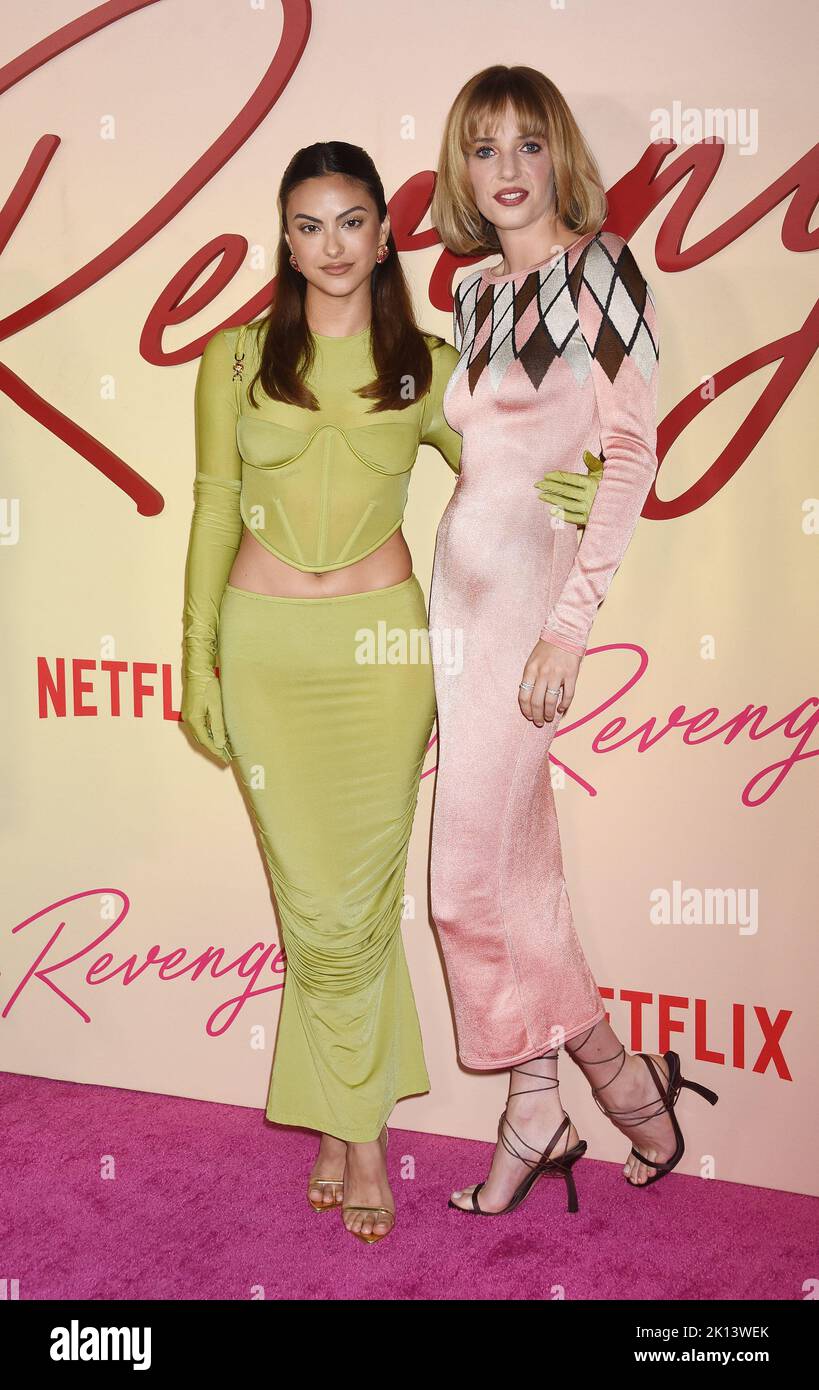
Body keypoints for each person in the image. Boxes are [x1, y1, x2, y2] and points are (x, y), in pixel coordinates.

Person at [180, 138, 591, 1244]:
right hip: (268, 655)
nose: (331, 246)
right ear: (284, 233)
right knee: (308, 910)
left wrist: (579, 476)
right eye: (308, 225)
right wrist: (195, 657)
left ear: (381, 230)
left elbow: (515, 453)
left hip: (379, 659)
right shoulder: (230, 358)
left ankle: (354, 1134)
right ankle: (342, 1111)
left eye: (351, 221)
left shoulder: (427, 365)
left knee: (353, 910)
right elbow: (216, 506)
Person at [428, 66, 718, 1217]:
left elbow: (628, 457)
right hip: (456, 611)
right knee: (517, 875)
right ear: (462, 169)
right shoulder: (467, 294)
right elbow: (491, 464)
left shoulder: (601, 274)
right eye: (484, 148)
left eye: (527, 145)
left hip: (526, 620)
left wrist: (568, 625)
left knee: (465, 887)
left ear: (560, 158)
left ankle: (612, 1081)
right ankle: (549, 1106)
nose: (506, 169)